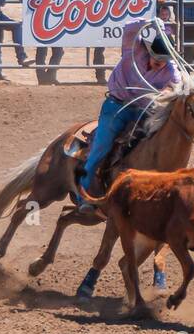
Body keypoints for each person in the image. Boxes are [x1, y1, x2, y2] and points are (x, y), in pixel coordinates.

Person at [76, 18, 182, 206]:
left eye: (164, 60)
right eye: (157, 58)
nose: (159, 63)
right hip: (116, 106)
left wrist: (165, 94)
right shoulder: (134, 50)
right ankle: (82, 196)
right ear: (149, 52)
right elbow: (129, 28)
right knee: (101, 147)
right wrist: (148, 21)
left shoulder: (171, 72)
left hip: (143, 111)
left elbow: (176, 88)